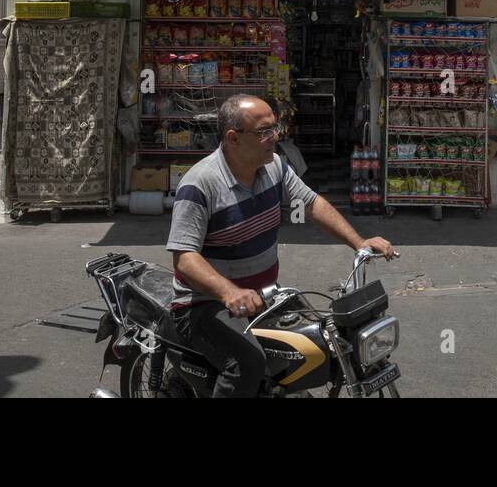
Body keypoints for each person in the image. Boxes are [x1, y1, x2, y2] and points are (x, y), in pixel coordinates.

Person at [166, 94, 397, 397]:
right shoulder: (200, 184)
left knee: (322, 340)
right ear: (233, 138)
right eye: (263, 132)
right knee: (247, 363)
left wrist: (359, 242)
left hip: (265, 296)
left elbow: (311, 203)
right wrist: (229, 292)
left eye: (275, 128)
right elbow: (184, 257)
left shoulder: (274, 166)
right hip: (204, 305)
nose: (274, 137)